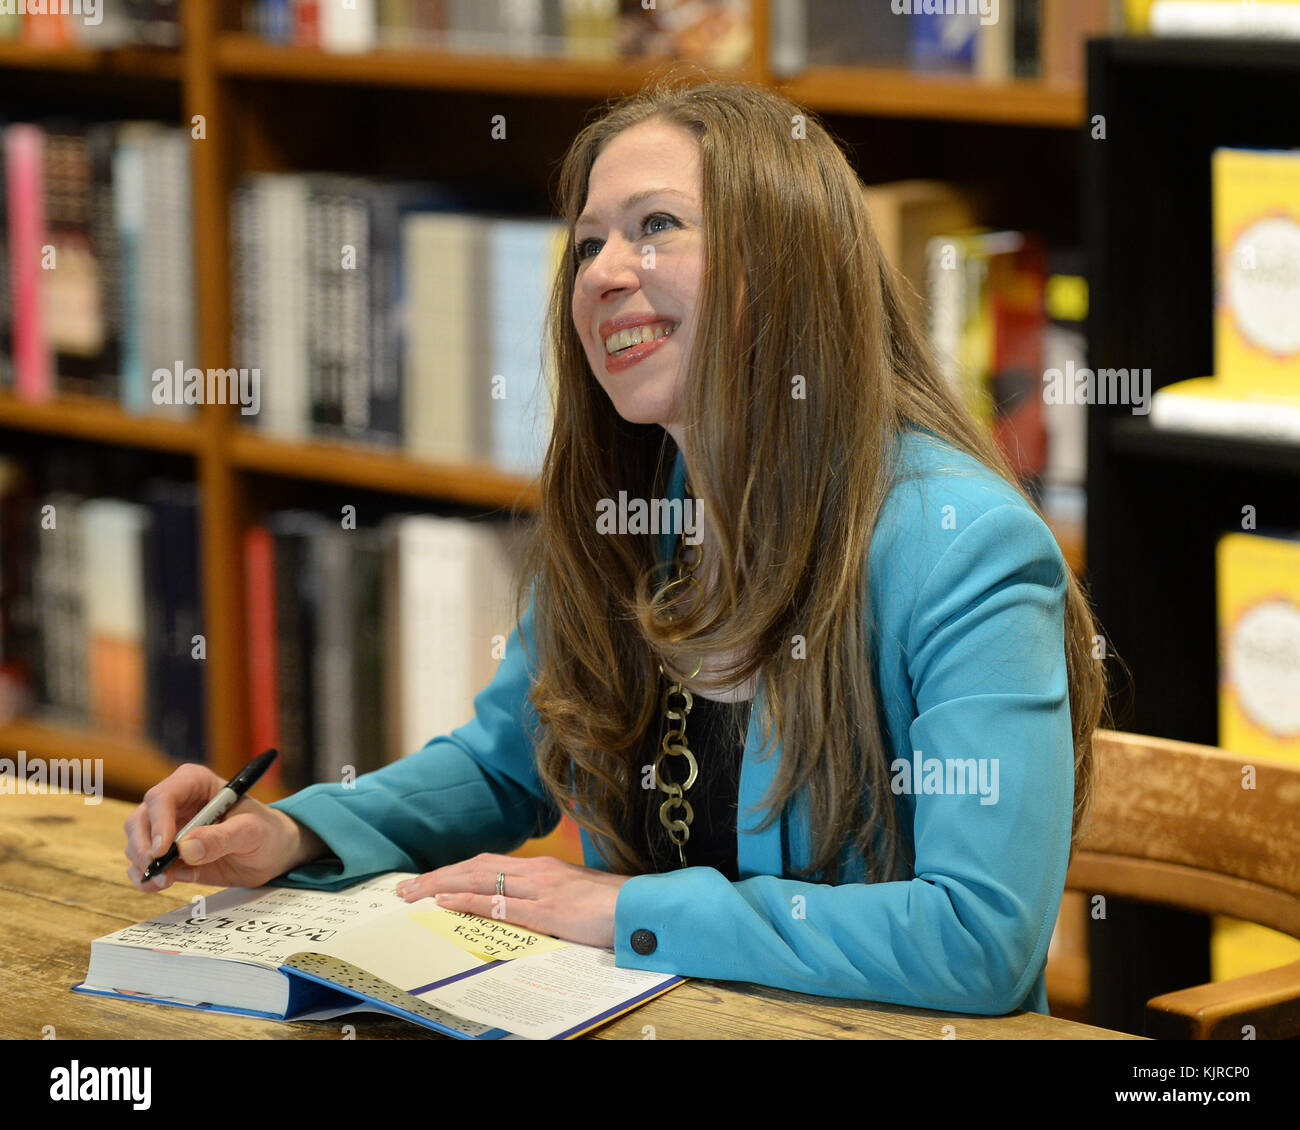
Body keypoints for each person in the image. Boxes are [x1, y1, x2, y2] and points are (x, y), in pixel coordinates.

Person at [124, 77, 1108, 1016]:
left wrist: (624, 910)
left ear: (788, 259)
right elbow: (505, 763)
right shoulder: (629, 511)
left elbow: (980, 935)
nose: (599, 272)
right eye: (588, 242)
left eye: (656, 226)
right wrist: (291, 828)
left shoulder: (963, 547)